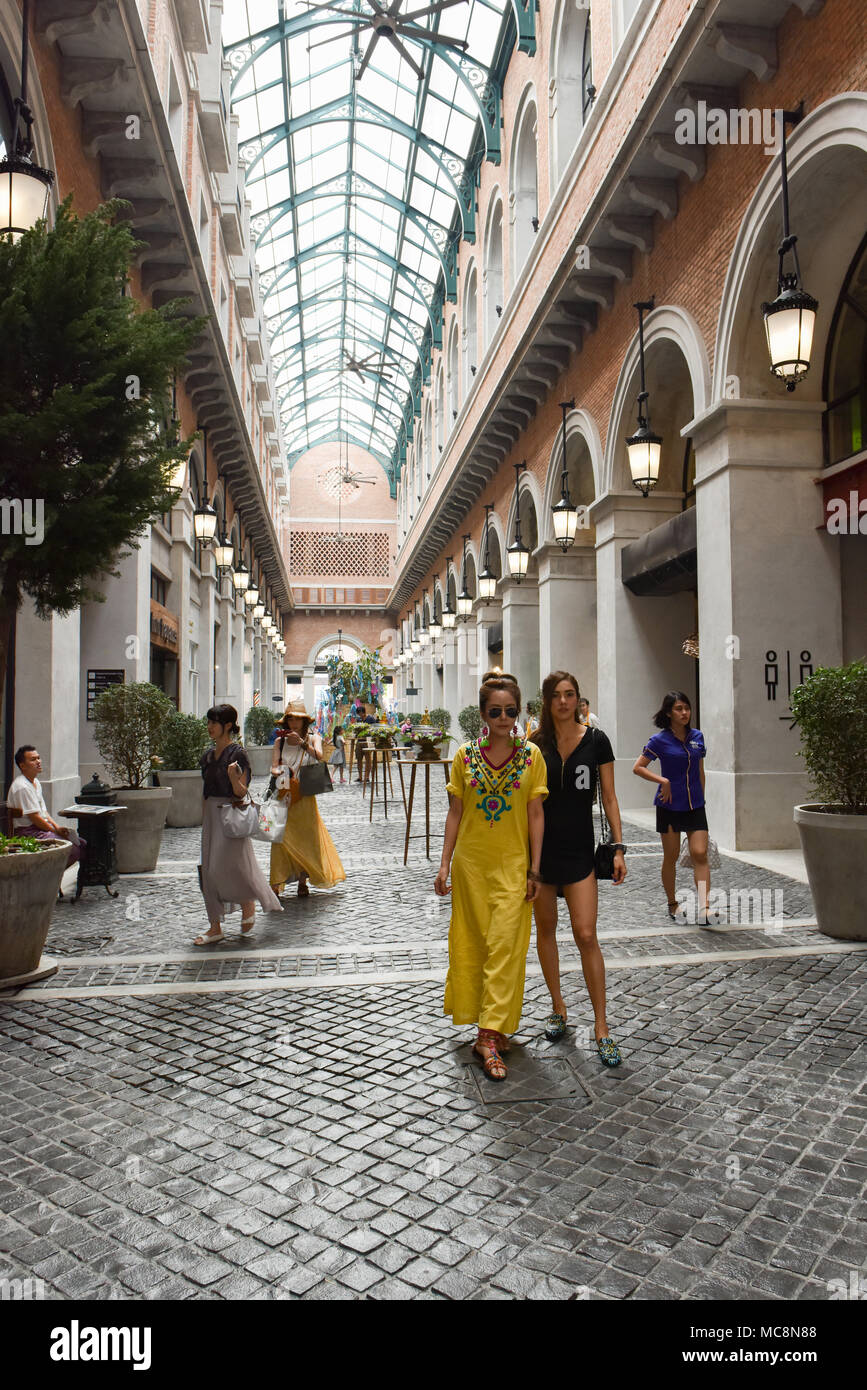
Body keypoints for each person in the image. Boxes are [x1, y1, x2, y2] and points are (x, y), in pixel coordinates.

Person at [435, 671, 548, 1082]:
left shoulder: (532, 756)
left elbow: (537, 815)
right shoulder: (464, 756)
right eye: (496, 711)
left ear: (519, 713)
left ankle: (487, 1034)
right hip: (471, 866)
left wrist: (537, 868)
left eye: (510, 711)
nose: (504, 718)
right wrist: (444, 863)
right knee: (474, 944)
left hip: (515, 866)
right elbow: (455, 813)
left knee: (507, 946)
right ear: (483, 715)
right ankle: (490, 1024)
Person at [530, 673, 627, 1066]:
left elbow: (609, 795)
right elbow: (526, 805)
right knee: (546, 931)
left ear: (578, 699)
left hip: (580, 854)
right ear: (547, 702)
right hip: (540, 855)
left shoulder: (596, 740)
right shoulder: (534, 745)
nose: (564, 702)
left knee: (587, 934)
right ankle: (558, 1007)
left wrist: (619, 848)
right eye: (557, 696)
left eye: (570, 695)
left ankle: (602, 1026)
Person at [194, 705, 281, 946]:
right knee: (209, 871)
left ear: (228, 725)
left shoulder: (237, 754)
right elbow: (205, 791)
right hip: (211, 815)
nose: (210, 727)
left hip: (231, 814)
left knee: (236, 867)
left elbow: (242, 792)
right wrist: (204, 819)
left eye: (214, 722)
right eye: (209, 722)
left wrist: (233, 778)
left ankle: (248, 902)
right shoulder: (208, 756)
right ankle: (215, 926)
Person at [632, 691, 714, 926]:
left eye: (686, 708)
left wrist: (703, 799)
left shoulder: (698, 737)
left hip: (695, 806)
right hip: (669, 806)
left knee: (700, 853)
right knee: (672, 856)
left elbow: (700, 771)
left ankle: (705, 908)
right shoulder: (659, 740)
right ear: (668, 713)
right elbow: (638, 767)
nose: (684, 712)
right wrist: (662, 781)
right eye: (678, 709)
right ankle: (672, 903)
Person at [270, 700, 346, 898]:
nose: (294, 723)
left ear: (304, 721)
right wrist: (278, 771)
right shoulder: (280, 741)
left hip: (305, 795)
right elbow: (273, 765)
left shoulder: (314, 738)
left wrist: (303, 743)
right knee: (280, 839)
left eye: (298, 719)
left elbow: (320, 757)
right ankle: (276, 882)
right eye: (291, 719)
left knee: (306, 839)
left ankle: (302, 881)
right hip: (284, 792)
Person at [8, 746, 85, 867]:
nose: (38, 762)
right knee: (72, 850)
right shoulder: (22, 786)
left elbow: (44, 813)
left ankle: (55, 878)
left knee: (82, 844)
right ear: (22, 766)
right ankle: (50, 880)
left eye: (38, 758)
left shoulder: (36, 782)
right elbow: (35, 817)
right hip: (29, 832)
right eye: (33, 759)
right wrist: (55, 831)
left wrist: (57, 827)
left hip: (41, 828)